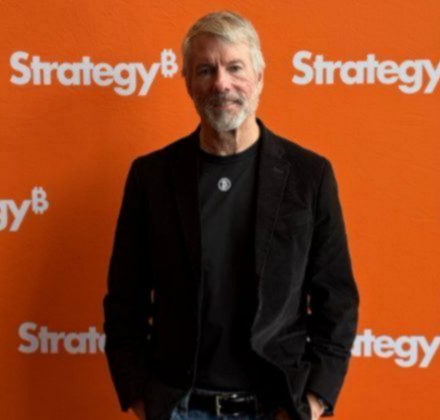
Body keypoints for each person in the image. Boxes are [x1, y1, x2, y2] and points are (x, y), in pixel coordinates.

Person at [103, 11, 359, 420]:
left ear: (259, 76)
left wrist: (312, 402)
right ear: (188, 82)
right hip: (180, 408)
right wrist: (141, 399)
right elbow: (124, 300)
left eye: (235, 67)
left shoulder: (310, 176)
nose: (221, 83)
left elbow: (337, 300)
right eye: (205, 70)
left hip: (276, 407)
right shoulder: (151, 177)